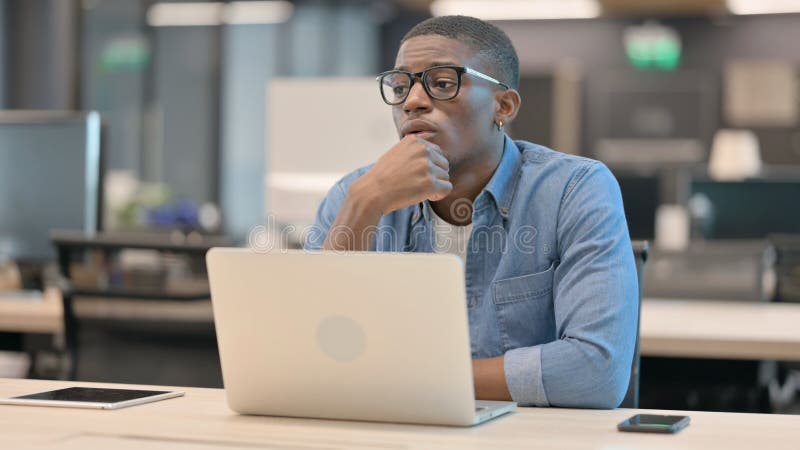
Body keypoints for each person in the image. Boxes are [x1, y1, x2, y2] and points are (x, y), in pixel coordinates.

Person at [305, 15, 637, 409]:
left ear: (503, 106)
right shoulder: (356, 194)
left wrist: (410, 379)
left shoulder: (573, 190)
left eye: (442, 84)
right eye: (399, 86)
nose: (412, 101)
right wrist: (365, 203)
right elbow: (311, 354)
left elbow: (596, 373)